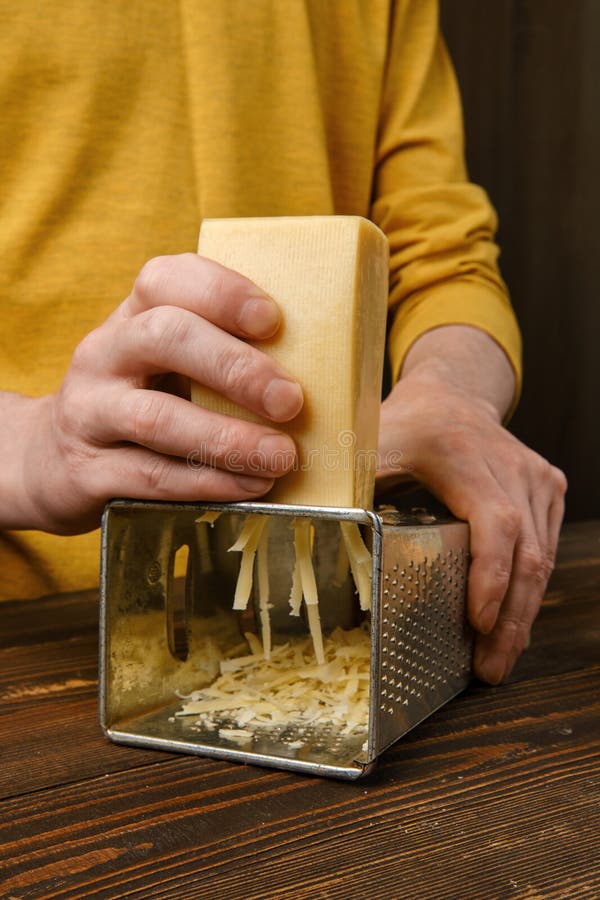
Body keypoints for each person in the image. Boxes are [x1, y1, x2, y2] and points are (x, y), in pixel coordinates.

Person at [0, 1, 566, 685]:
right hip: (32, 636)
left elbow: (446, 259)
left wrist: (451, 390)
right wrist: (32, 444)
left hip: (327, 620)